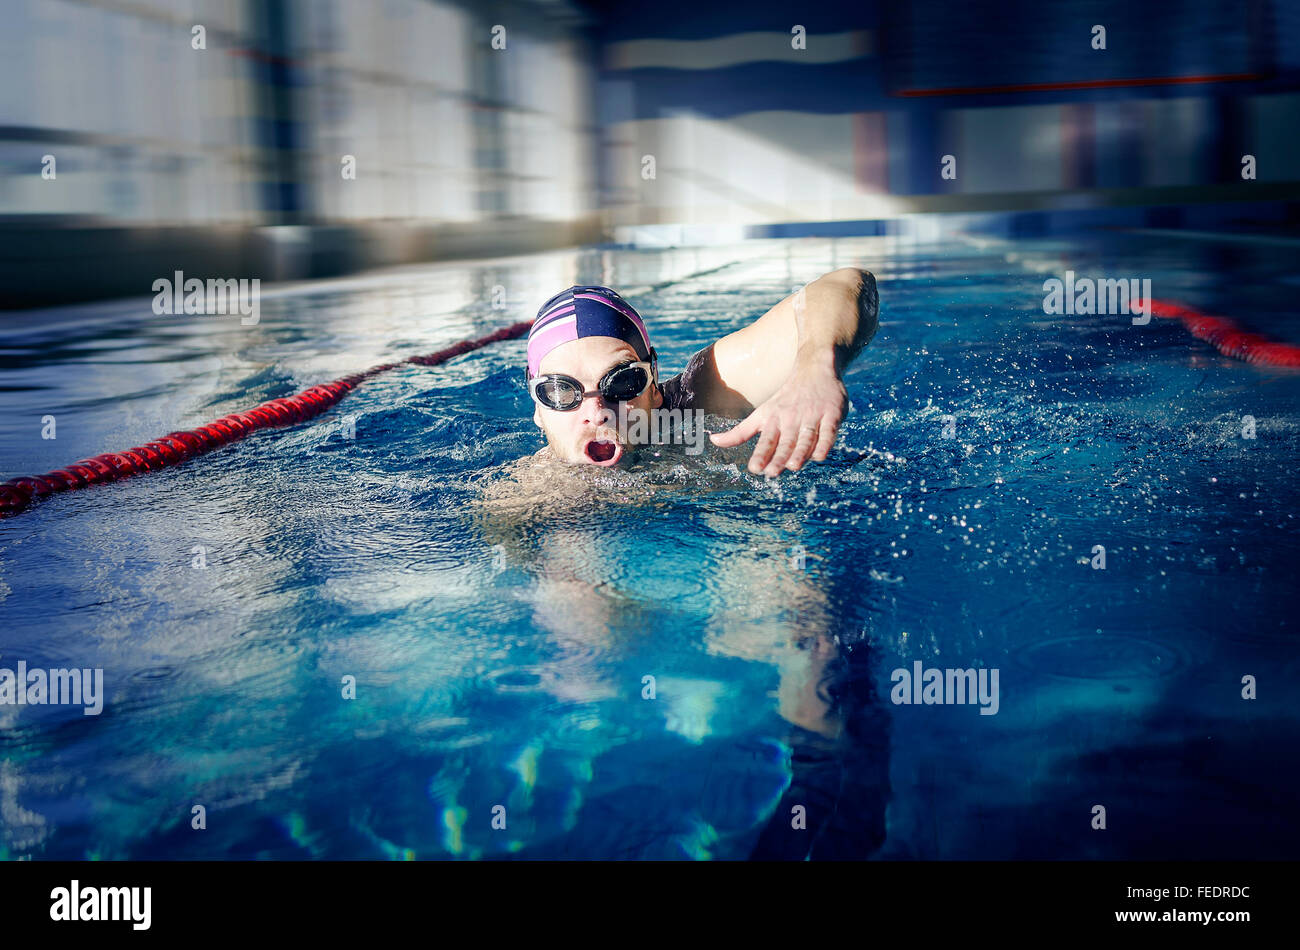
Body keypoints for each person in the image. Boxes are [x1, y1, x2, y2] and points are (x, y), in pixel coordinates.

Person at [524, 268, 878, 477]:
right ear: (538, 409)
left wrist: (814, 367)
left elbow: (848, 282)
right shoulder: (522, 498)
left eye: (622, 381)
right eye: (560, 391)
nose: (597, 411)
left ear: (654, 385)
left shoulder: (701, 399)